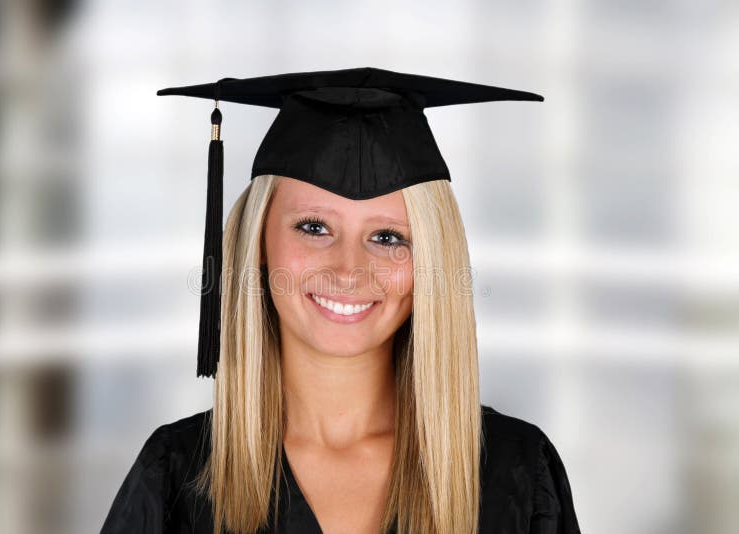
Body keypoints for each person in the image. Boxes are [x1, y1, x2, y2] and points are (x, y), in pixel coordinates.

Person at [100, 67, 582, 534]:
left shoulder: (516, 471)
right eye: (314, 227)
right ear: (257, 243)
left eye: (389, 237)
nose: (348, 270)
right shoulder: (176, 476)